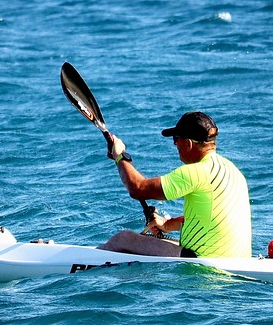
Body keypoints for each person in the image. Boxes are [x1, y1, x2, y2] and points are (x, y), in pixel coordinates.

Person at [100, 111, 252, 259]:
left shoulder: (195, 172)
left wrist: (120, 156)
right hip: (239, 259)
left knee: (123, 238)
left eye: (176, 138)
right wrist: (167, 224)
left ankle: (82, 261)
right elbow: (208, 218)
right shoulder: (233, 170)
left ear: (188, 143)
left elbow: (137, 188)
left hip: (203, 262)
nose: (174, 144)